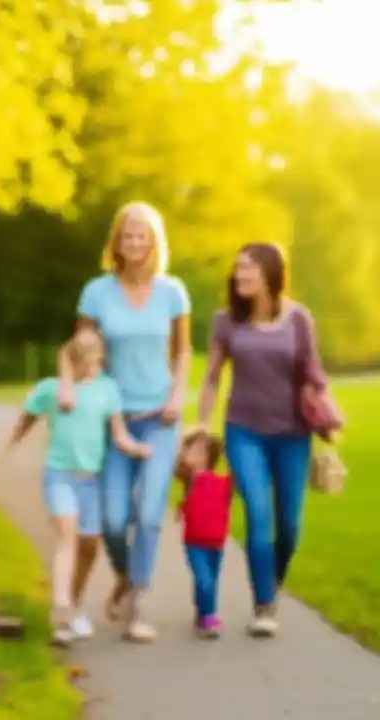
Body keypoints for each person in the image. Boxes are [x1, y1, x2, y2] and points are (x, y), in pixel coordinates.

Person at [58, 201, 191, 643]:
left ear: (154, 242)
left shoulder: (173, 291)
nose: (134, 243)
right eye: (126, 236)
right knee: (114, 521)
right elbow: (78, 352)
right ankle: (127, 576)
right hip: (114, 420)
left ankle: (138, 605)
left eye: (142, 236)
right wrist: (72, 393)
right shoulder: (96, 293)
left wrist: (177, 395)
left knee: (149, 513)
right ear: (116, 241)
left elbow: (183, 351)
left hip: (160, 418)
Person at [197, 242, 328, 638]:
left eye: (248, 269)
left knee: (289, 525)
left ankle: (272, 580)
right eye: (237, 269)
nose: (240, 276)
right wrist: (203, 425)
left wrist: (324, 414)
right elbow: (213, 376)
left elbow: (312, 373)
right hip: (244, 431)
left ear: (270, 272)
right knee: (258, 512)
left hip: (292, 434)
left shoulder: (299, 318)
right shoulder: (225, 321)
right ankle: (264, 604)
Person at [8, 327, 152, 647]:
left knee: (90, 545)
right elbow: (27, 417)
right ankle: (60, 610)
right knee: (67, 536)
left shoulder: (107, 390)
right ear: (76, 358)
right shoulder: (52, 389)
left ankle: (72, 603)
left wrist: (138, 448)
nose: (95, 362)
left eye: (98, 355)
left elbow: (118, 434)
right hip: (59, 475)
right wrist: (11, 444)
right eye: (88, 356)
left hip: (91, 481)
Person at [174, 429, 232, 639]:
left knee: (211, 581)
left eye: (198, 450)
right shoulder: (188, 479)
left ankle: (202, 613)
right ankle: (210, 617)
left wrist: (228, 451)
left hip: (216, 542)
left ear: (209, 456)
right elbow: (176, 459)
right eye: (191, 449)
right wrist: (183, 448)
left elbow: (238, 474)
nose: (192, 453)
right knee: (204, 579)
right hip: (194, 542)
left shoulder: (223, 482)